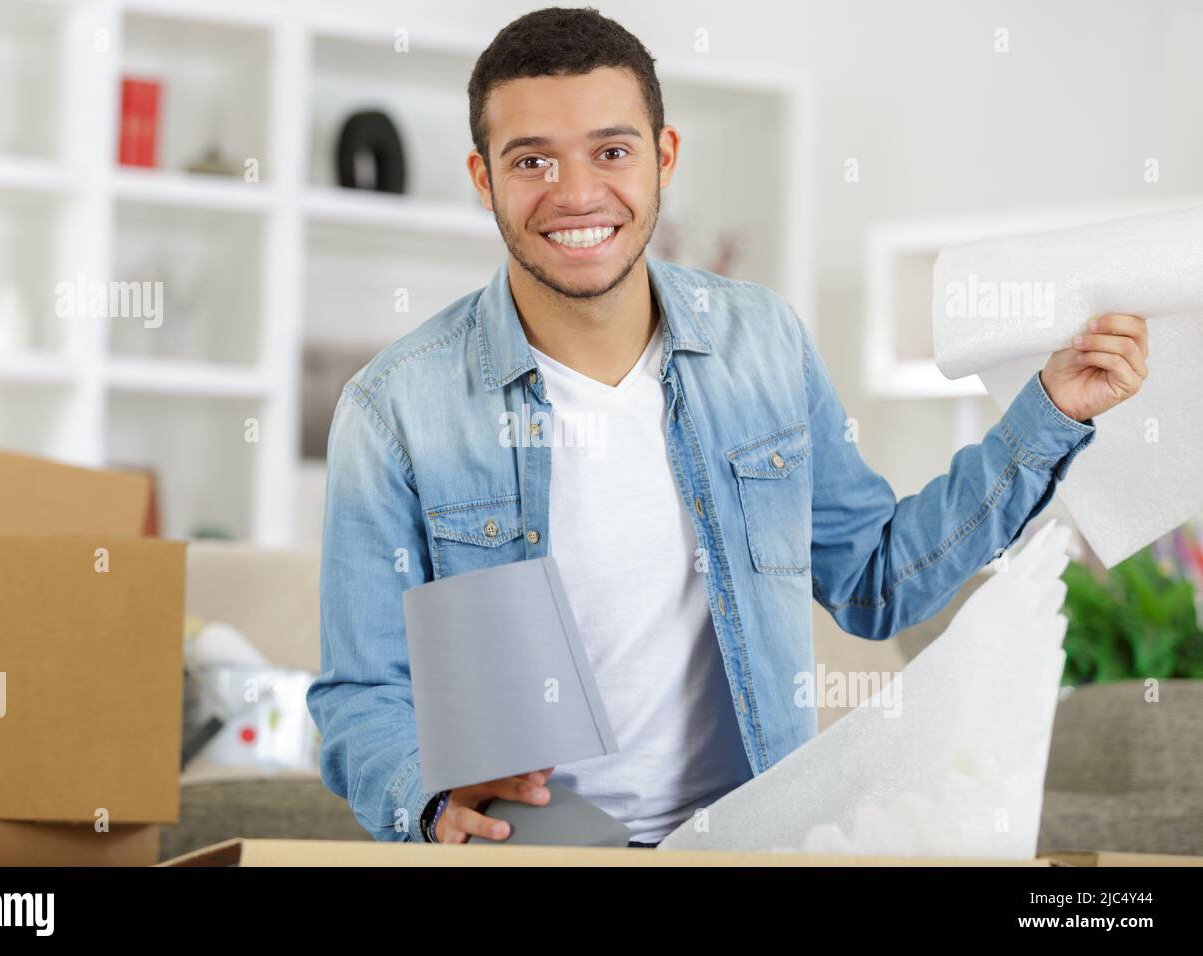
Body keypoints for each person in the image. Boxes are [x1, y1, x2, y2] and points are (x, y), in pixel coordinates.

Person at [306, 7, 1150, 847]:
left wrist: (1047, 414)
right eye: (532, 160)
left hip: (751, 841)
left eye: (611, 151)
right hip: (531, 851)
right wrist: (424, 798)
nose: (576, 194)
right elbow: (359, 694)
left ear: (663, 158)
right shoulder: (395, 410)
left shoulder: (764, 344)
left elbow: (874, 581)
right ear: (483, 178)